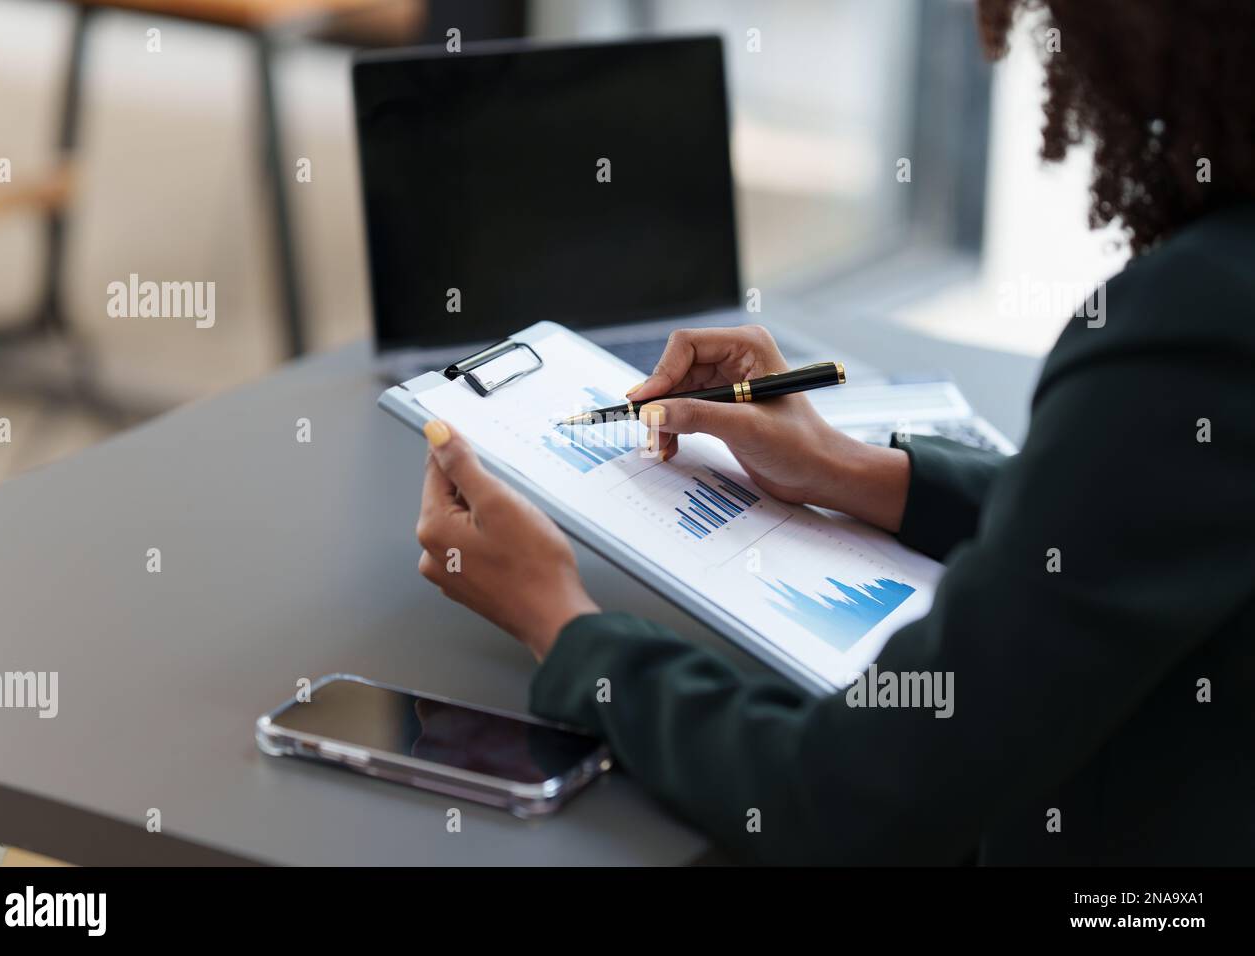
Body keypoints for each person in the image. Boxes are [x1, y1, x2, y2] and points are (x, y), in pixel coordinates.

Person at [413, 0, 1255, 864]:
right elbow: (1140, 516)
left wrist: (564, 626)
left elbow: (848, 792)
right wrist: (849, 470)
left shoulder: (1194, 329)